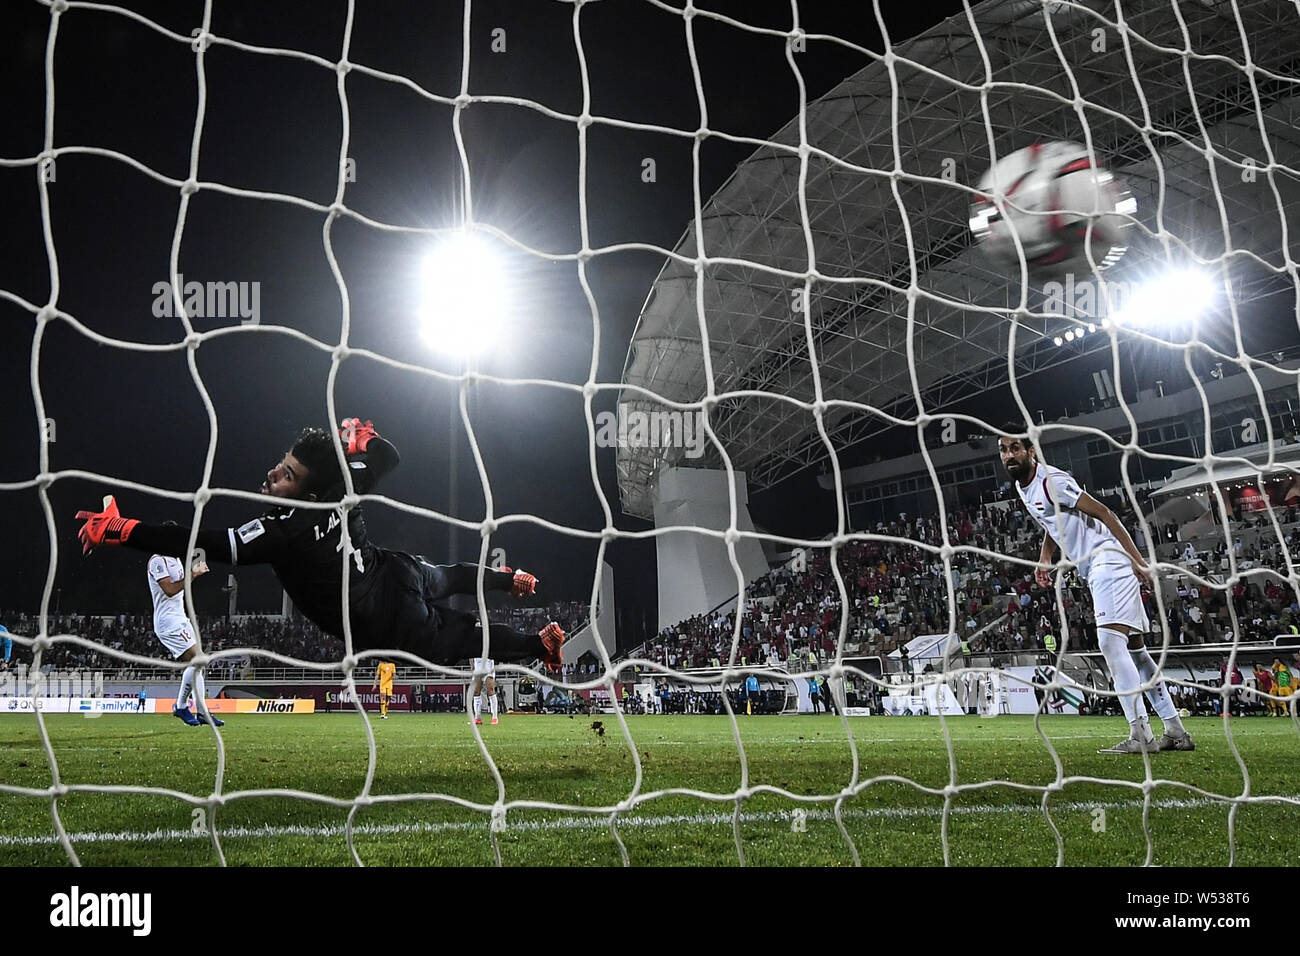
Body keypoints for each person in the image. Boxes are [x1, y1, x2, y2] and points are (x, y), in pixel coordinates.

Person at [75, 418, 565, 671]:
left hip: (384, 621)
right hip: (395, 571)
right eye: (282, 463)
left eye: (287, 474)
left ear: (307, 493)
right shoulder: (344, 485)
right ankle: (509, 580)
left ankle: (537, 644)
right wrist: (358, 438)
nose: (273, 474)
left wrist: (122, 529)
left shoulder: (279, 533)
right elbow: (388, 456)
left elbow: (199, 541)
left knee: (467, 638)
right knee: (446, 576)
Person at [998, 427, 1193, 754]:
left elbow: (1105, 512)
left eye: (1015, 448)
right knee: (1136, 651)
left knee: (1110, 643)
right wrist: (1045, 556)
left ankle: (1141, 735)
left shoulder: (1052, 481)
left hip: (1108, 560)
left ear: (1031, 451)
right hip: (1095, 567)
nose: (1008, 455)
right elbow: (1052, 521)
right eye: (1003, 450)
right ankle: (1175, 730)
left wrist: (1139, 562)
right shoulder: (1023, 486)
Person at [147, 540, 222, 727]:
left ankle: (191, 709)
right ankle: (187, 708)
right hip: (168, 622)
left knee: (198, 664)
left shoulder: (177, 560)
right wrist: (193, 574)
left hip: (181, 618)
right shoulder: (157, 561)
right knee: (198, 660)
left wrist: (194, 572)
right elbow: (170, 590)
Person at [469, 657, 499, 725]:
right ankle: (477, 717)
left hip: (488, 665)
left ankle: (495, 717)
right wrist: (472, 666)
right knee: (476, 692)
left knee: (490, 690)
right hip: (478, 666)